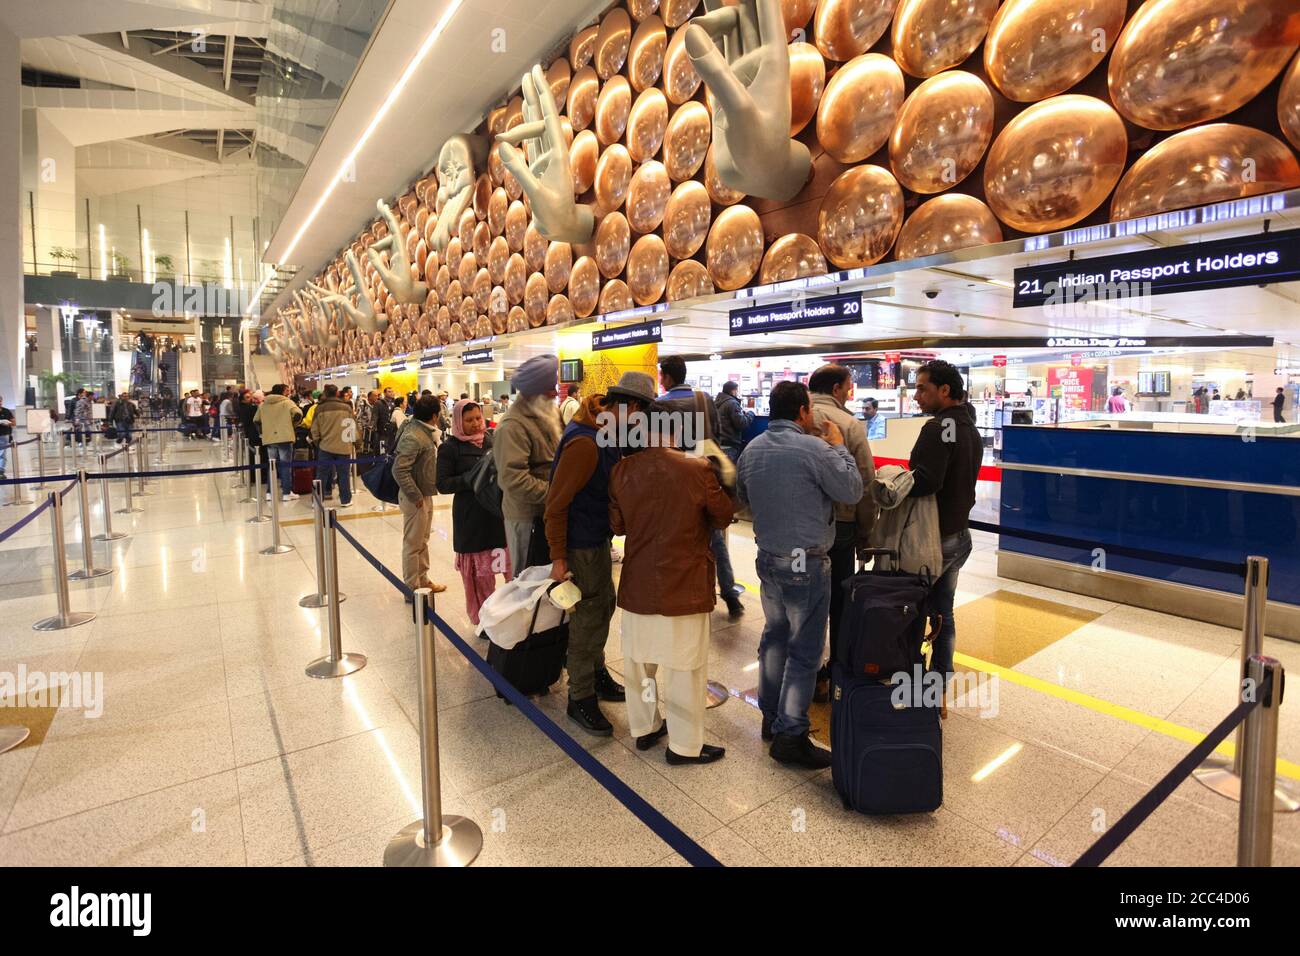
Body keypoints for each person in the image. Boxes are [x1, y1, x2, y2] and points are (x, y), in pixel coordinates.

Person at [738, 380, 862, 769]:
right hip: (804, 563)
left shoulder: (752, 449)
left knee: (774, 637)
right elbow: (852, 490)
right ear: (803, 411)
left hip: (768, 559)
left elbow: (743, 496)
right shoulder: (817, 448)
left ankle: (771, 718)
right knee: (805, 651)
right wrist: (839, 445)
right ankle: (791, 733)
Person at [609, 379, 734, 765]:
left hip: (638, 584)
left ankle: (645, 728)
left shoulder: (622, 471)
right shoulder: (697, 469)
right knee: (685, 668)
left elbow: (617, 526)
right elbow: (723, 515)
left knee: (638, 664)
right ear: (677, 431)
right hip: (686, 585)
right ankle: (683, 746)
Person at [544, 379, 627, 735]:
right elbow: (556, 504)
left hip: (595, 541)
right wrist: (559, 558)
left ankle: (596, 673)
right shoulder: (585, 443)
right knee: (587, 620)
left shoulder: (601, 431)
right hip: (579, 546)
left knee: (603, 606)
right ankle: (580, 698)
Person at [906, 360, 982, 716]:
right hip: (959, 535)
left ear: (944, 390)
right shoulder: (969, 427)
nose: (916, 395)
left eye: (922, 388)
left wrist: (894, 482)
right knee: (943, 614)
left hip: (930, 539)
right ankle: (936, 691)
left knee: (911, 610)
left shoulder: (938, 428)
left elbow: (926, 481)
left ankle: (908, 682)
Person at [808, 364, 878, 704]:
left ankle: (806, 671)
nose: (851, 392)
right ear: (837, 388)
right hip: (843, 525)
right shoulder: (850, 425)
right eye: (849, 386)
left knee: (805, 600)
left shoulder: (798, 418)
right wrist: (867, 532)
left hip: (803, 525)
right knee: (839, 600)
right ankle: (836, 669)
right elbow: (865, 482)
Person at [659, 355, 743, 618]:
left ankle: (683, 593)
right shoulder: (703, 398)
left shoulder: (659, 405)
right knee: (715, 538)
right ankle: (729, 593)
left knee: (677, 538)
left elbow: (659, 447)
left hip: (674, 482)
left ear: (668, 377)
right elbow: (716, 436)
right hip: (705, 473)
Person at [436, 400, 510, 627]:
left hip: (496, 515)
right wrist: (470, 479)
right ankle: (484, 621)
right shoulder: (450, 448)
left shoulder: (491, 439)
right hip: (471, 518)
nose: (476, 424)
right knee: (479, 578)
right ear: (458, 421)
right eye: (469, 420)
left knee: (506, 569)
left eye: (478, 418)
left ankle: (506, 615)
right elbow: (442, 484)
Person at [492, 354, 562, 576]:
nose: (555, 393)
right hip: (526, 517)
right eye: (550, 388)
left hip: (549, 512)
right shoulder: (513, 426)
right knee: (527, 579)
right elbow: (513, 479)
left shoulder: (549, 413)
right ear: (534, 392)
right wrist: (556, 494)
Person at [393, 396, 447, 597]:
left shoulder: (422, 430)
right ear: (435, 415)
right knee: (413, 543)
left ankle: (423, 580)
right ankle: (411, 588)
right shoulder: (414, 435)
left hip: (424, 493)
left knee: (422, 540)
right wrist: (415, 496)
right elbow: (399, 470)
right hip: (414, 496)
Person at [253, 383, 303, 501]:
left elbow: (256, 420)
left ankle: (269, 492)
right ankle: (286, 492)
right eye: (287, 390)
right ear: (282, 391)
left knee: (272, 465)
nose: (288, 392)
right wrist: (292, 425)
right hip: (285, 437)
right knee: (285, 466)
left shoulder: (263, 404)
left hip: (269, 438)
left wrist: (262, 432)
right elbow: (298, 414)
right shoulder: (287, 402)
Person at [310, 385, 357, 507]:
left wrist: (317, 442)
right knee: (344, 474)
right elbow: (352, 426)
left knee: (321, 474)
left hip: (325, 446)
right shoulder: (346, 407)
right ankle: (345, 500)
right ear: (337, 393)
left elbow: (314, 428)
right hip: (344, 446)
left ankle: (317, 501)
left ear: (325, 393)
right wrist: (355, 442)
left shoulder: (319, 408)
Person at [714, 380, 750, 464]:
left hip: (718, 443)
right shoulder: (732, 403)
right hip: (730, 444)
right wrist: (750, 414)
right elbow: (742, 423)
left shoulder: (716, 402)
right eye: (737, 390)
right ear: (733, 391)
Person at [0, 396, 13, 478]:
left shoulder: (6, 411)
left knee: (3, 454)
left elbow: (14, 423)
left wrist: (8, 423)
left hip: (4, 435)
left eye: (0, 401)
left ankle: (1, 471)